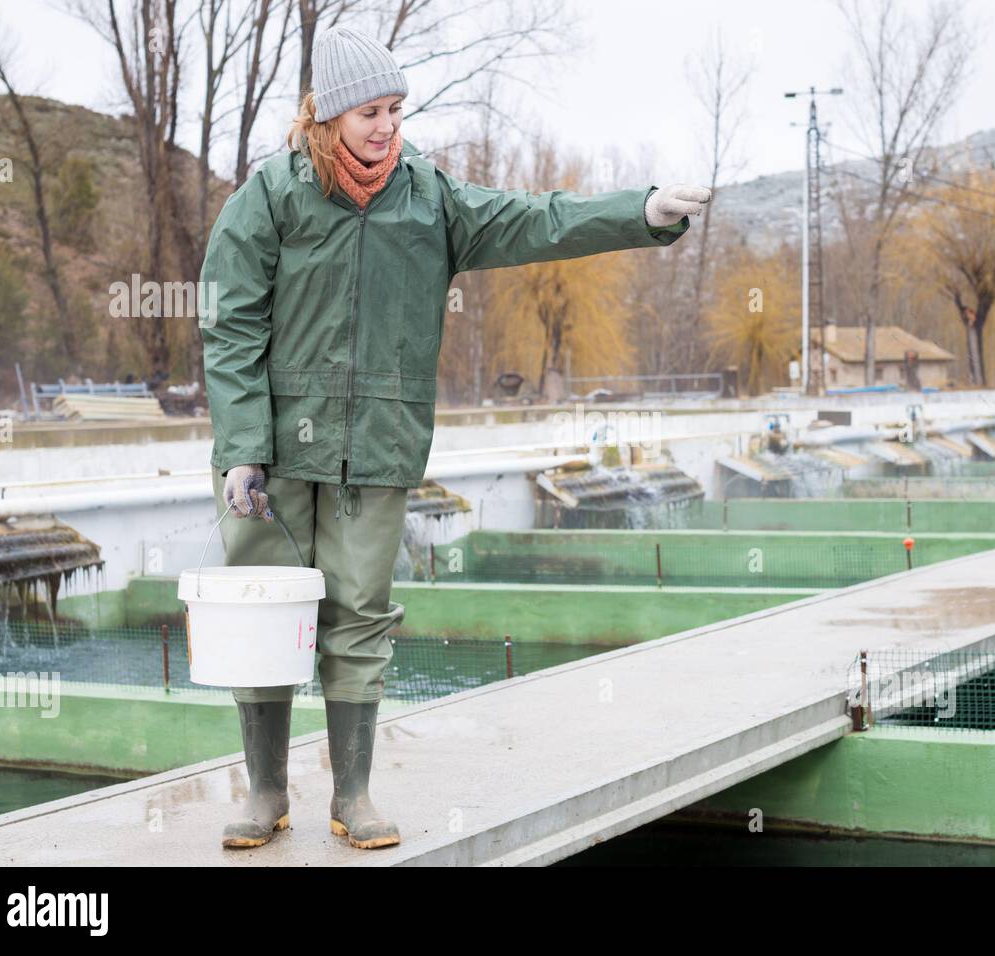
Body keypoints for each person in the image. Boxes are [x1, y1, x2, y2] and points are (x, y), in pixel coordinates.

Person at [200, 24, 709, 850]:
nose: (386, 126)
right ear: (327, 115)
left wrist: (641, 212)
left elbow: (537, 221)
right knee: (264, 615)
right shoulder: (270, 197)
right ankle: (264, 792)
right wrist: (242, 446)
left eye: (396, 109)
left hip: (379, 446)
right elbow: (229, 327)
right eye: (370, 110)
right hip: (273, 452)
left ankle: (353, 796)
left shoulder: (427, 197)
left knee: (359, 613)